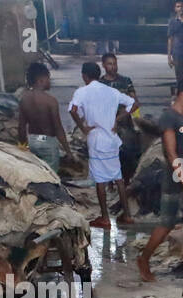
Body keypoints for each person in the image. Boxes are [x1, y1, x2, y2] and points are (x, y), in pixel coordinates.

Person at [137, 77, 183, 282]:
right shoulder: (169, 118)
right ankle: (144, 259)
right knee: (167, 222)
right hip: (176, 177)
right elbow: (172, 153)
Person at [69, 60, 137, 229]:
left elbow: (73, 110)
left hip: (96, 140)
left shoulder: (82, 92)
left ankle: (105, 217)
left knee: (100, 180)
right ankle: (127, 215)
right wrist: (117, 119)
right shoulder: (111, 91)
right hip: (112, 139)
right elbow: (133, 104)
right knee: (119, 178)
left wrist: (83, 127)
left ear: (84, 76)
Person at [17, 62, 73, 174]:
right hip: (48, 143)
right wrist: (68, 151)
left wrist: (22, 147)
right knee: (51, 176)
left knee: (35, 174)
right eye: (48, 78)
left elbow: (21, 127)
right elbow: (58, 129)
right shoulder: (50, 101)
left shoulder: (24, 99)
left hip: (32, 140)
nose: (50, 81)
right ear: (41, 80)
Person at [99, 52, 142, 184]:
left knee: (129, 155)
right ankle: (111, 184)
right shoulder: (100, 83)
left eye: (115, 63)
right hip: (108, 126)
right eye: (110, 64)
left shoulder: (126, 81)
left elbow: (135, 103)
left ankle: (126, 181)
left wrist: (120, 117)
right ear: (104, 65)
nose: (113, 67)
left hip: (125, 124)